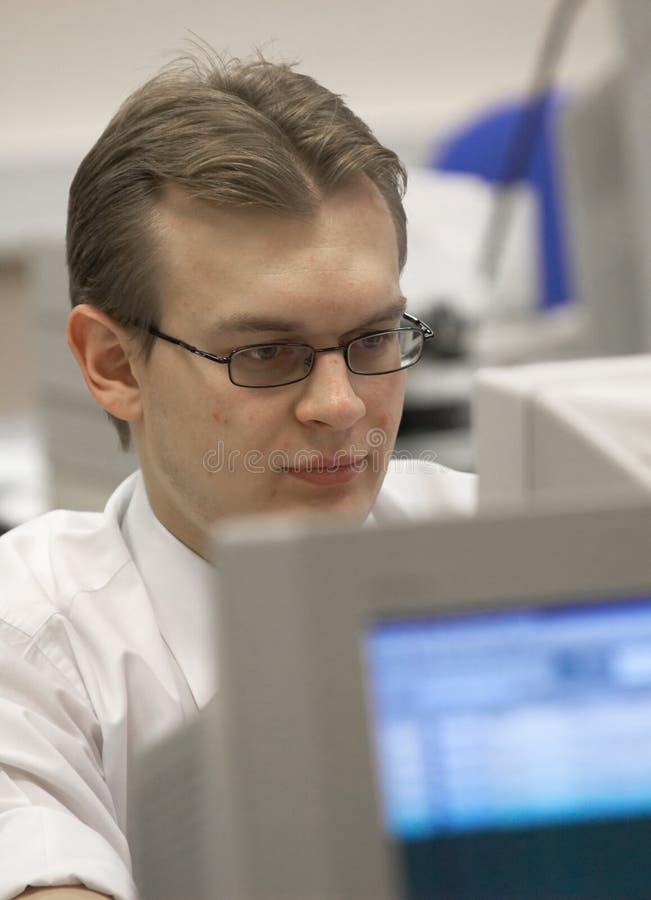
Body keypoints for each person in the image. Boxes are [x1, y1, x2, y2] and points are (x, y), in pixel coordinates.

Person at [0, 53, 475, 899]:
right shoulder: (31, 649)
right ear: (114, 364)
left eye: (371, 340)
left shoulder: (501, 543)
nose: (338, 405)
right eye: (265, 353)